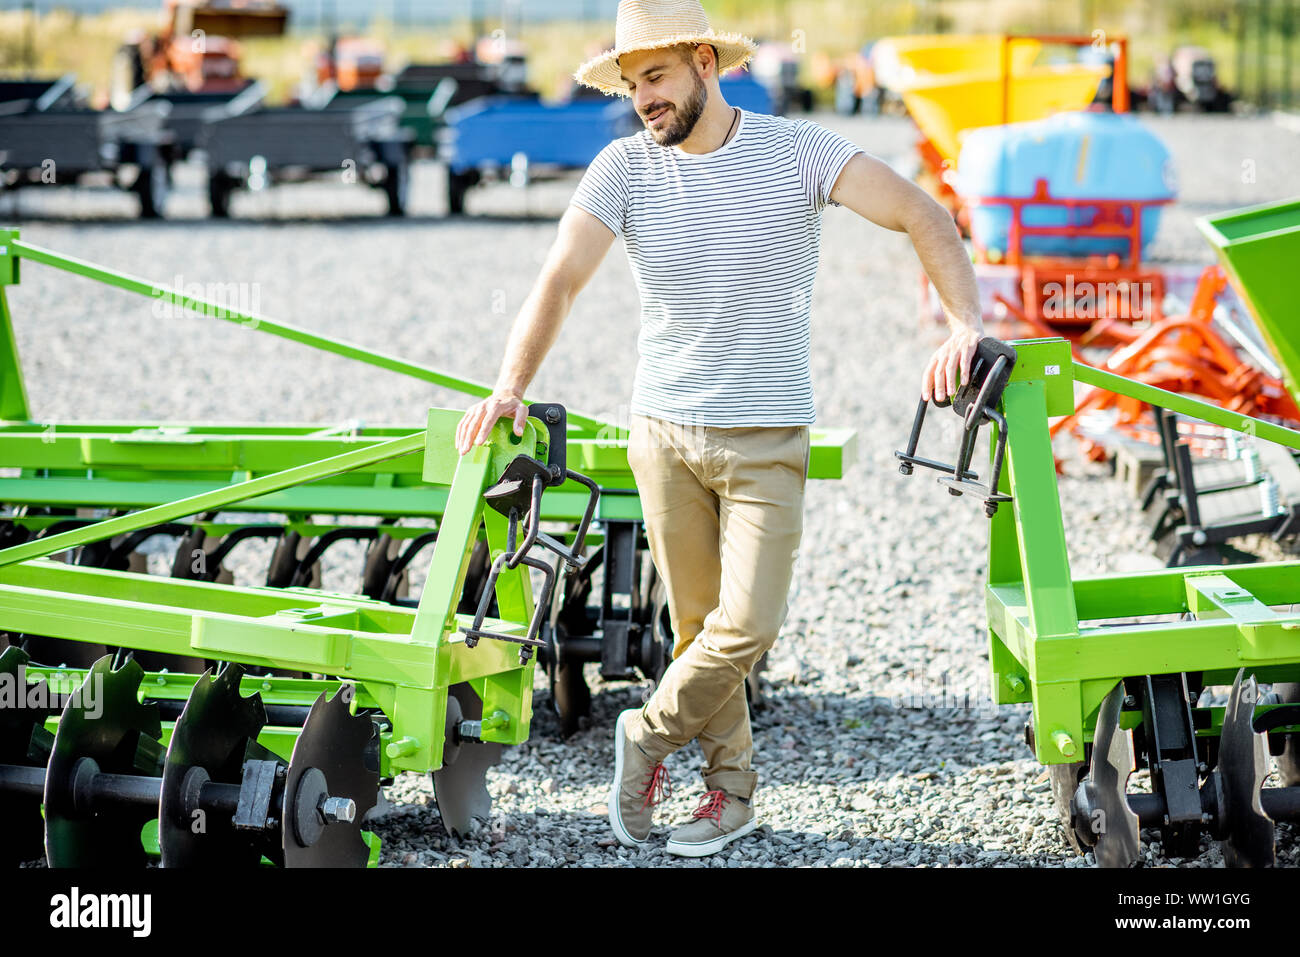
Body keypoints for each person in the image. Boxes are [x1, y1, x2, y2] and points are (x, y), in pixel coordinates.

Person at [454, 0, 985, 859]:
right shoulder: (623, 169)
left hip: (768, 437)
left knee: (749, 625)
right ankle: (730, 795)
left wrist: (964, 324)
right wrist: (510, 385)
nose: (643, 100)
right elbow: (560, 278)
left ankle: (649, 734)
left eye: (655, 77)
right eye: (631, 85)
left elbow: (924, 213)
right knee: (700, 633)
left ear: (706, 61)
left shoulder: (800, 151)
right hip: (661, 435)